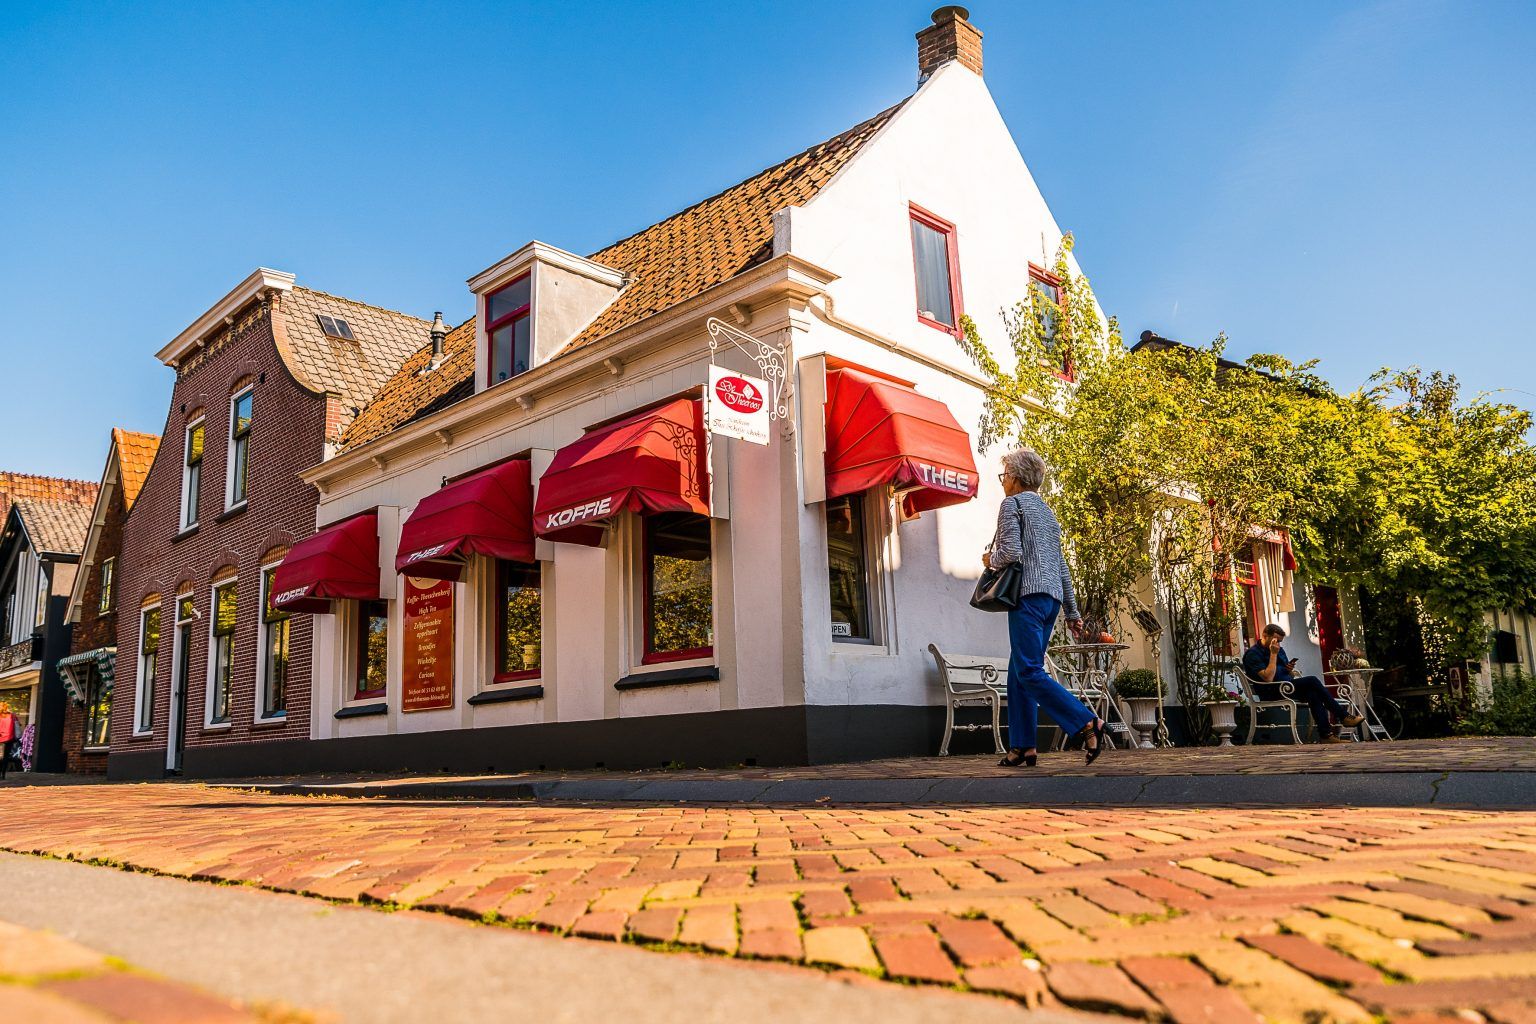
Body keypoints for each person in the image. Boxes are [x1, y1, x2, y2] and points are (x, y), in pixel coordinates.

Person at [983, 448, 1106, 767]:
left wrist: (989, 560)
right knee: (1018, 672)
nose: (1003, 482)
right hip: (1050, 601)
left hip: (1027, 597)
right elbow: (1061, 565)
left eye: (1004, 475)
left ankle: (1086, 722)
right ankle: (1023, 746)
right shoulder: (1049, 515)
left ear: (1015, 478)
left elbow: (1009, 552)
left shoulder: (1012, 504)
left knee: (1029, 671)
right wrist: (1072, 611)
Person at [1242, 623, 1363, 743]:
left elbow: (1286, 674)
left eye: (1280, 641)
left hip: (1287, 687)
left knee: (1313, 694)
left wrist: (1288, 670)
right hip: (1270, 691)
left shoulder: (1279, 649)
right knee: (1312, 680)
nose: (1278, 644)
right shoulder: (1253, 654)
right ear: (1265, 635)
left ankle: (1326, 735)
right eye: (1276, 640)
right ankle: (1343, 716)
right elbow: (1268, 678)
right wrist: (1273, 654)